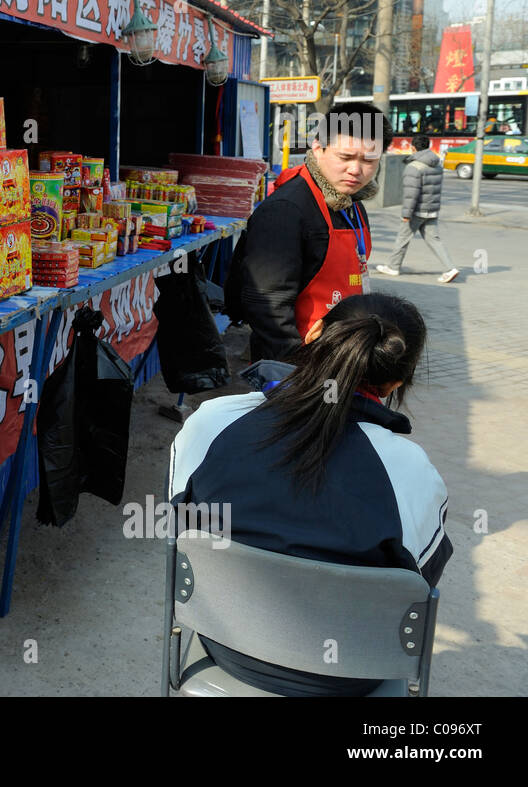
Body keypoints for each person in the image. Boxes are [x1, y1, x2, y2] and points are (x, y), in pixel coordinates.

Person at [169, 293, 452, 696]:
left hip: (228, 648)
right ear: (395, 383)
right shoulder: (410, 471)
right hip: (350, 676)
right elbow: (419, 587)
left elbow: (180, 529)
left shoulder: (212, 423)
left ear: (314, 333)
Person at [226, 101, 386, 362]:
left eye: (369, 160)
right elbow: (266, 302)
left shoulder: (350, 201)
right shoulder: (286, 209)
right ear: (318, 148)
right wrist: (296, 367)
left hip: (341, 353)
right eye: (345, 157)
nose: (356, 170)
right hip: (299, 361)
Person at [376, 135, 459, 283]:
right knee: (434, 240)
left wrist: (406, 214)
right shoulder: (437, 164)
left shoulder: (413, 167)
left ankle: (393, 267)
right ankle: (450, 268)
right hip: (432, 208)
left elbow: (411, 194)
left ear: (413, 147)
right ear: (428, 146)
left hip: (417, 210)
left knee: (403, 238)